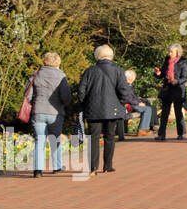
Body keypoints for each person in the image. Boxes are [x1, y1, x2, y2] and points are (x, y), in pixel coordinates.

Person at [76, 45, 136, 175]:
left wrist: (86, 104)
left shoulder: (89, 71)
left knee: (93, 138)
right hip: (112, 109)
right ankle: (108, 165)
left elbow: (81, 91)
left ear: (97, 56)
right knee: (110, 137)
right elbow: (124, 91)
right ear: (111, 56)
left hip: (93, 110)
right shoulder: (118, 70)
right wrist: (120, 103)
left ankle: (93, 167)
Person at [26, 52, 71, 177]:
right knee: (55, 139)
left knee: (39, 140)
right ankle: (57, 166)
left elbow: (28, 95)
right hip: (55, 112)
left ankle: (38, 170)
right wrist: (65, 104)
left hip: (38, 111)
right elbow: (66, 96)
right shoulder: (61, 75)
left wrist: (35, 102)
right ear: (58, 62)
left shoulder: (36, 74)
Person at [155, 43, 187, 140]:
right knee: (164, 112)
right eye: (169, 52)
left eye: (171, 52)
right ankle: (161, 134)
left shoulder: (183, 62)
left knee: (178, 111)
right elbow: (162, 74)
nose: (169, 54)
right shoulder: (167, 61)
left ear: (177, 52)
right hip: (167, 89)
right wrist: (158, 73)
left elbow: (184, 77)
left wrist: (177, 81)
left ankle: (181, 133)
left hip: (178, 90)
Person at [121, 69, 158, 137]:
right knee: (147, 109)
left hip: (131, 104)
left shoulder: (128, 85)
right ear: (129, 78)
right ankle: (142, 130)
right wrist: (138, 103)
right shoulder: (125, 86)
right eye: (133, 77)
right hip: (128, 105)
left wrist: (140, 101)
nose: (133, 79)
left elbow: (133, 97)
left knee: (150, 107)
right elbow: (128, 98)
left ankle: (149, 127)